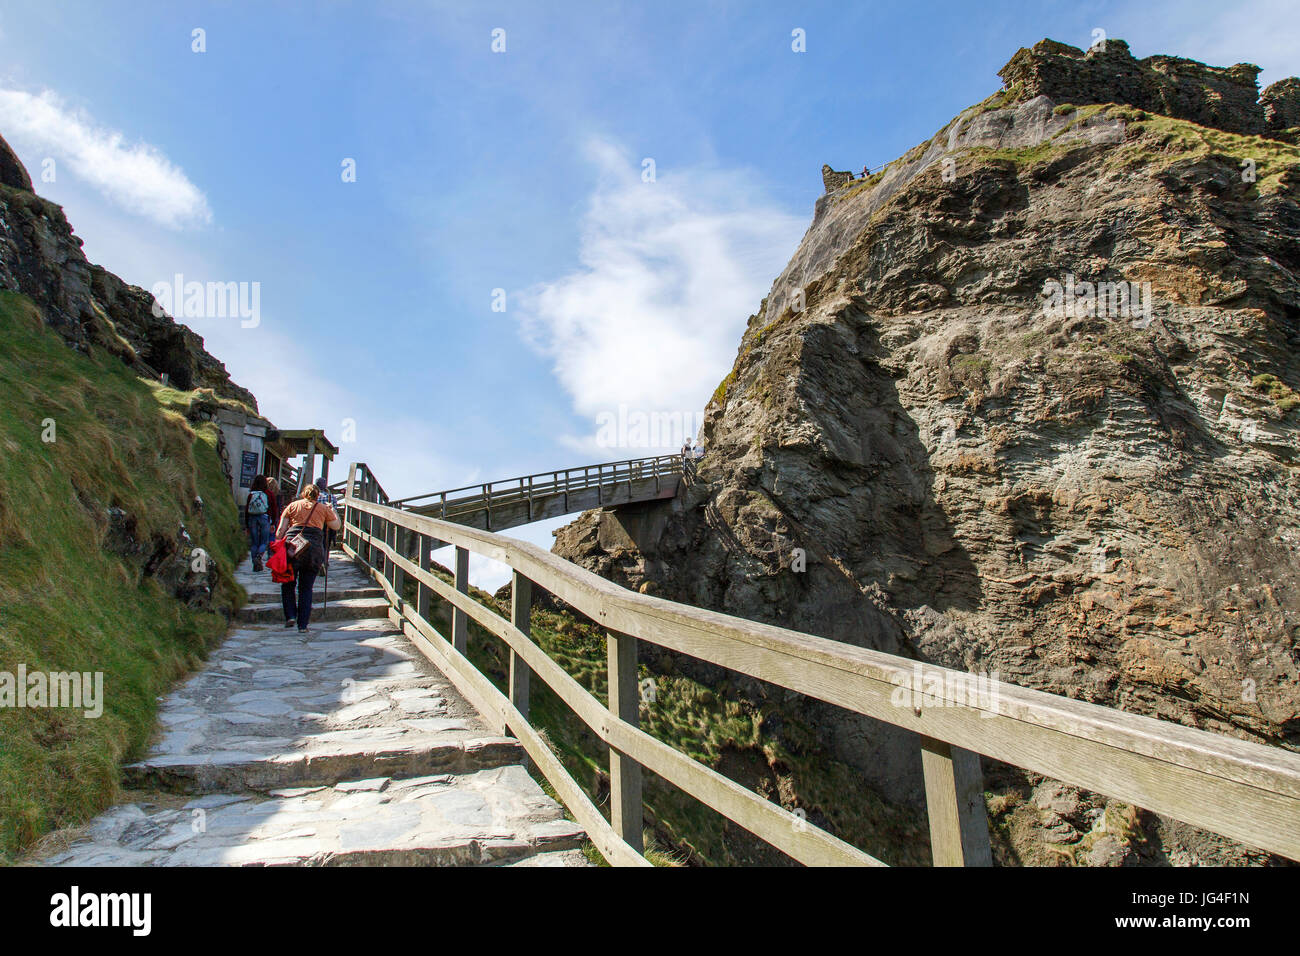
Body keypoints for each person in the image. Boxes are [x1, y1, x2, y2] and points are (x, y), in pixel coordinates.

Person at [274, 483, 341, 634]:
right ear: (317, 495)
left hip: (293, 547)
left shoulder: (292, 506)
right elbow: (336, 526)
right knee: (306, 588)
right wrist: (333, 510)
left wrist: (278, 543)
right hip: (313, 549)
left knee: (288, 584)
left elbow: (280, 531)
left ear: (303, 494)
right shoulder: (323, 508)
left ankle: (290, 615)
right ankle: (303, 625)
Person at [244, 475, 272, 572]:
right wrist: (272, 522)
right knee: (263, 542)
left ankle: (254, 563)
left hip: (252, 518)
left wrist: (247, 525)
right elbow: (271, 508)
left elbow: (247, 510)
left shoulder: (251, 495)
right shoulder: (267, 494)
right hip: (264, 518)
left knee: (254, 543)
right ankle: (259, 557)